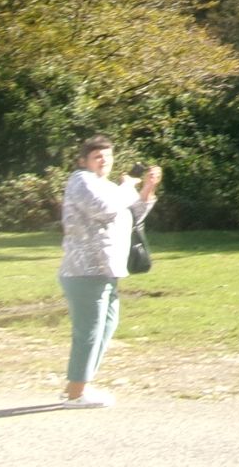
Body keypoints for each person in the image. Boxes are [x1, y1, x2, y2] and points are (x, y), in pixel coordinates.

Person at [58, 133, 160, 407]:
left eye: (108, 155)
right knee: (89, 331)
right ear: (84, 161)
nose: (104, 160)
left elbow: (130, 216)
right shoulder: (81, 181)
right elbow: (105, 209)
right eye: (97, 156)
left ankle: (76, 386)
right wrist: (128, 185)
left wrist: (147, 189)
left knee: (106, 326)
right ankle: (77, 393)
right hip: (85, 270)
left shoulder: (103, 185)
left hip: (107, 270)